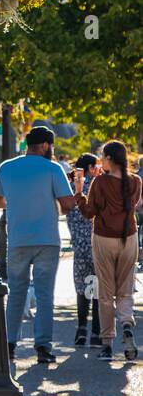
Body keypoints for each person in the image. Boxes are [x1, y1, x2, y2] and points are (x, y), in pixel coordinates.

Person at [0, 125, 76, 364]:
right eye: (51, 146)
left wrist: (16, 203)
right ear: (44, 146)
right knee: (44, 294)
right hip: (47, 241)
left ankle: (9, 344)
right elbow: (68, 204)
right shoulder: (53, 169)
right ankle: (43, 347)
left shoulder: (6, 167)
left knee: (16, 293)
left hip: (17, 240)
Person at [73, 141, 142, 360]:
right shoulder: (136, 181)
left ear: (109, 158)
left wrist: (79, 191)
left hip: (104, 237)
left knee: (105, 292)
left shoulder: (100, 182)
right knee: (125, 289)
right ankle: (127, 324)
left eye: (103, 157)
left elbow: (88, 212)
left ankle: (107, 343)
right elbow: (133, 205)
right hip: (129, 237)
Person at [65, 153, 102, 347]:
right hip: (98, 242)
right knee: (98, 288)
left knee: (82, 288)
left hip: (79, 245)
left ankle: (81, 329)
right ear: (90, 168)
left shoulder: (71, 186)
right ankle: (96, 332)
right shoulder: (97, 185)